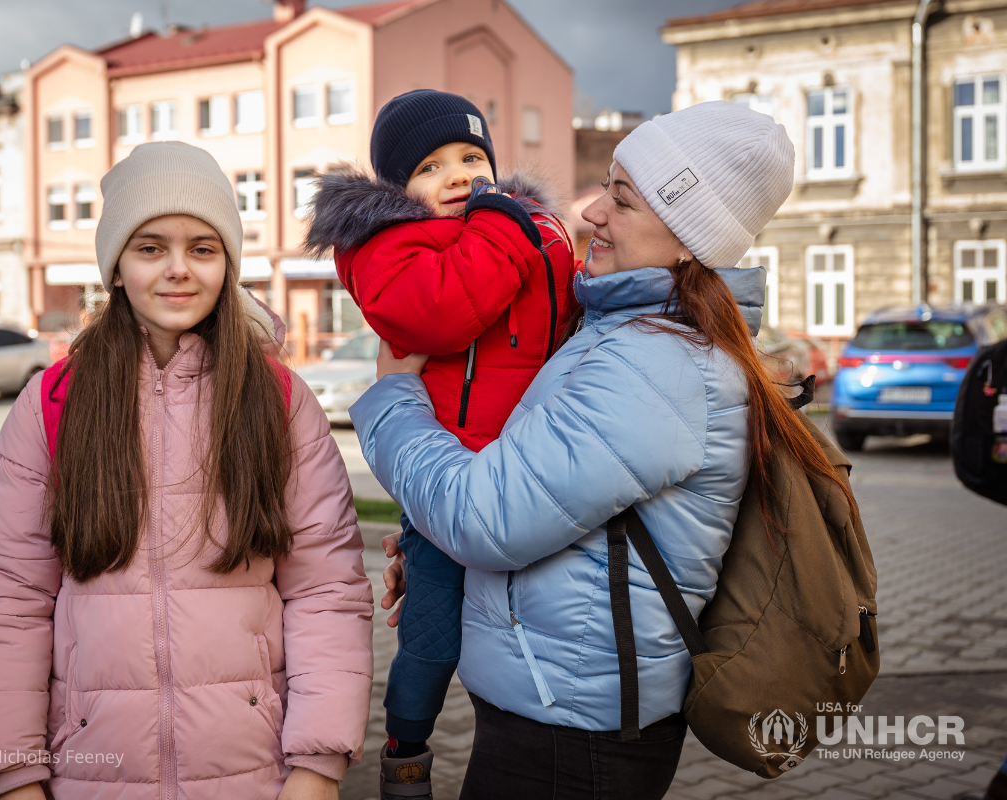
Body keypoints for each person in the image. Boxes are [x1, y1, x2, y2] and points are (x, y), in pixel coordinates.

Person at [351, 101, 855, 799]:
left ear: (687, 238)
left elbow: (486, 518)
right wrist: (441, 559)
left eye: (621, 200)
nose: (592, 213)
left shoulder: (658, 365)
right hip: (561, 704)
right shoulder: (622, 334)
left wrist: (393, 398)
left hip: (572, 737)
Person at [0, 141, 373, 800]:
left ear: (228, 264)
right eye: (150, 247)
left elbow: (327, 591)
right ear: (116, 267)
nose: (178, 270)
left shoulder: (279, 400)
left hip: (255, 780)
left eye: (203, 249)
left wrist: (317, 767)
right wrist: (11, 776)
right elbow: (6, 603)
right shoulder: (52, 405)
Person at [305, 89, 576, 796]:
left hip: (533, 477)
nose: (458, 175)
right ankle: (408, 748)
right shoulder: (388, 245)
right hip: (446, 483)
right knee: (431, 633)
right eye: (430, 167)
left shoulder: (535, 231)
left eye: (471, 157)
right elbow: (436, 315)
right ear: (397, 190)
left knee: (524, 635)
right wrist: (502, 229)